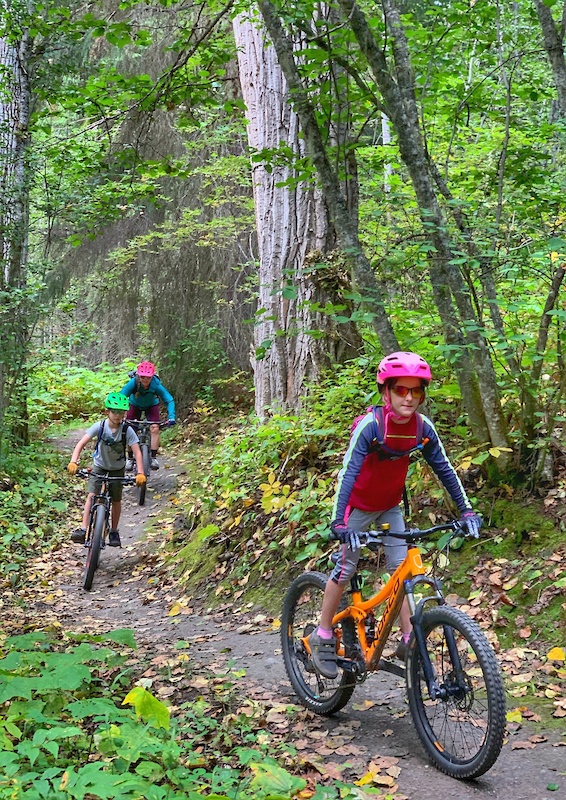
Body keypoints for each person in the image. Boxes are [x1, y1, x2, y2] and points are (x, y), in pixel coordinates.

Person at [308, 351, 482, 680]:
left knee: (402, 570)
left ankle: (408, 640)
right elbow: (348, 473)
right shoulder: (372, 426)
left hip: (390, 507)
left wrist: (466, 509)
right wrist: (339, 524)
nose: (409, 397)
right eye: (401, 390)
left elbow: (444, 469)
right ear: (386, 392)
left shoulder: (421, 428)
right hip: (357, 508)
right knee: (345, 567)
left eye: (416, 391)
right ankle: (323, 634)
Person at [67, 392, 146, 548]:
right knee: (92, 495)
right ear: (107, 412)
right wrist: (73, 461)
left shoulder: (127, 430)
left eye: (121, 413)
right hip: (99, 466)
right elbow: (81, 444)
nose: (118, 416)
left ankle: (114, 531)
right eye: (114, 412)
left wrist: (140, 472)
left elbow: (137, 451)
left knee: (116, 500)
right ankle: (84, 528)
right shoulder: (100, 426)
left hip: (118, 468)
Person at [118, 361, 176, 471]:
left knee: (154, 428)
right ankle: (130, 458)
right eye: (142, 377)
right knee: (130, 430)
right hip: (134, 405)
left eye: (148, 378)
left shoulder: (156, 384)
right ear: (139, 376)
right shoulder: (133, 383)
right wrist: (118, 414)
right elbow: (121, 396)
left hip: (151, 405)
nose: (145, 380)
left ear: (152, 377)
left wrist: (172, 416)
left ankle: (153, 457)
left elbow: (169, 399)